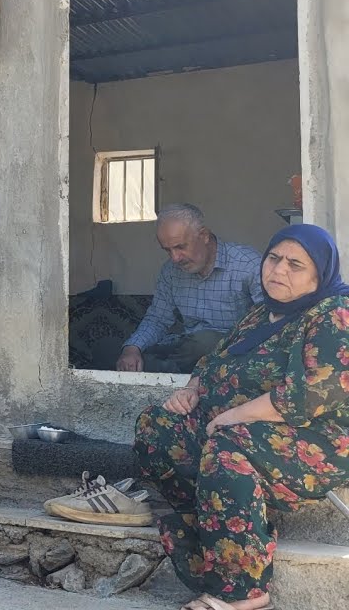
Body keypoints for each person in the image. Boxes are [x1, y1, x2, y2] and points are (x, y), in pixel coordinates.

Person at [132, 224, 349, 610]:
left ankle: (243, 592)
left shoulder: (334, 313)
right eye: (274, 258)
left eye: (295, 264)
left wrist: (234, 416)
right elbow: (212, 362)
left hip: (318, 441)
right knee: (158, 427)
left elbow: (312, 393)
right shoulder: (261, 313)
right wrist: (192, 389)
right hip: (242, 429)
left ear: (321, 273)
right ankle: (217, 527)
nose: (278, 270)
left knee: (228, 445)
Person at [117, 204, 264, 373]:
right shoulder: (171, 271)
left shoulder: (247, 264)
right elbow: (158, 319)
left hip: (234, 352)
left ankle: (169, 372)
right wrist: (132, 348)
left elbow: (269, 318)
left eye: (180, 247)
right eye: (168, 250)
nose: (175, 258)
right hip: (185, 348)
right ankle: (171, 372)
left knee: (204, 342)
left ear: (204, 236)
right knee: (116, 352)